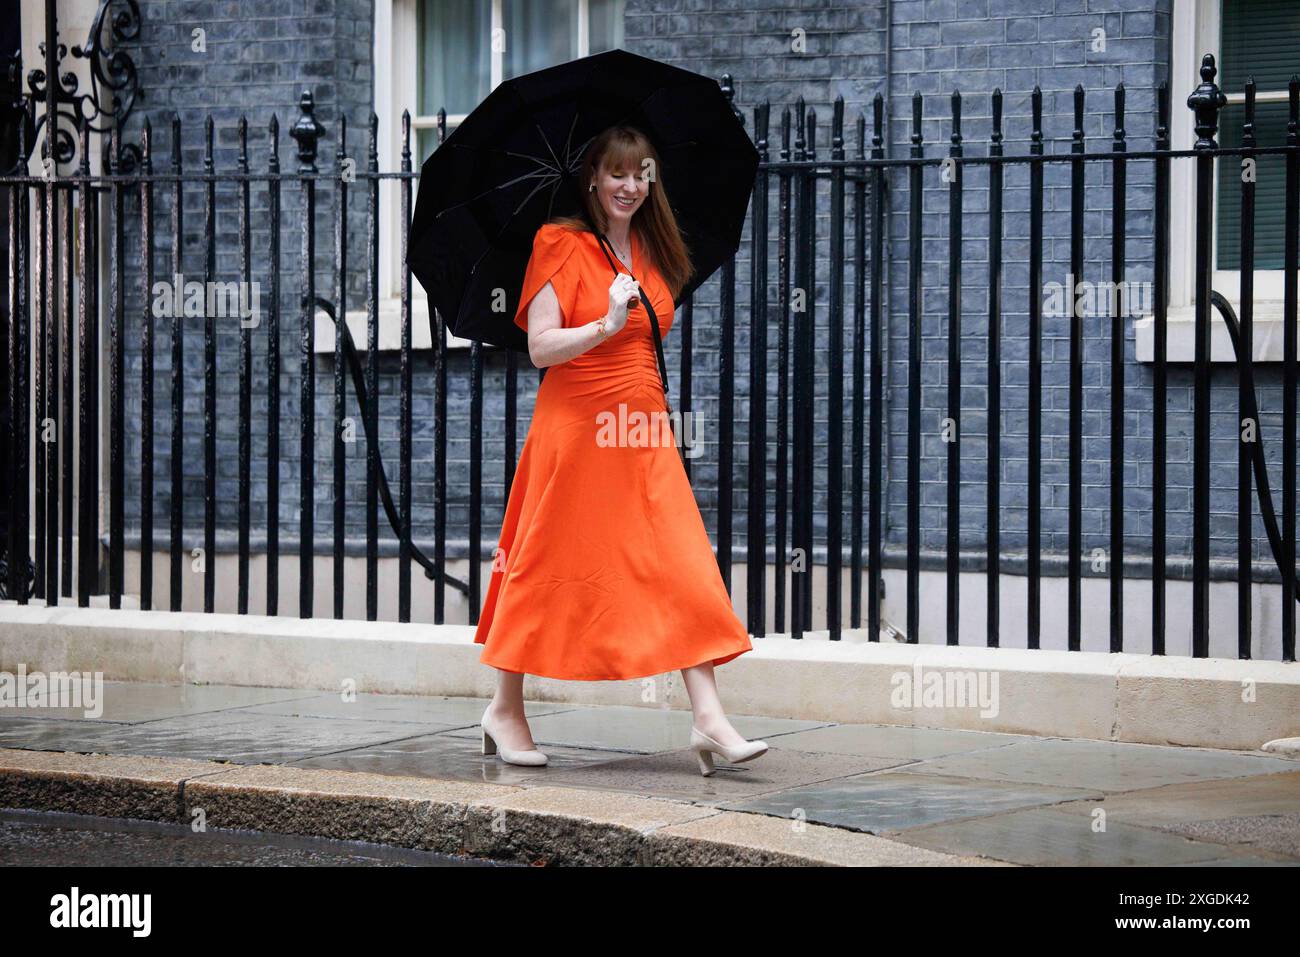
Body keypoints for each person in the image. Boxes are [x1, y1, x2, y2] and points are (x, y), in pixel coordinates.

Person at [472, 124, 767, 777]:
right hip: (576, 425)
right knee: (544, 561)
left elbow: (649, 336)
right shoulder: (559, 243)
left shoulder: (656, 249)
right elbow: (541, 347)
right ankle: (505, 707)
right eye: (617, 173)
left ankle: (710, 718)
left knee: (680, 559)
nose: (630, 185)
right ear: (593, 180)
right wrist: (604, 323)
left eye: (641, 174)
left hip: (642, 428)